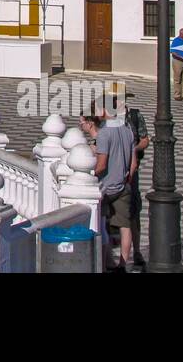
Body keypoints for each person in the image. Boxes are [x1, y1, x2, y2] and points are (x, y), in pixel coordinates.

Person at [81, 110, 136, 272]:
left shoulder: (105, 134)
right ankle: (123, 264)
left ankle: (103, 265)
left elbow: (102, 164)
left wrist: (88, 174)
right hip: (123, 185)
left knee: (101, 225)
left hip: (105, 188)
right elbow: (133, 164)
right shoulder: (127, 131)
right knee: (125, 226)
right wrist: (127, 179)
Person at [118, 91, 150, 269]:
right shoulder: (107, 117)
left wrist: (132, 150)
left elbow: (145, 140)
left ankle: (136, 251)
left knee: (133, 211)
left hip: (132, 170)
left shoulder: (135, 116)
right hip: (114, 169)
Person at [170, 28, 183, 100]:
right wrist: (182, 57)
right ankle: (177, 95)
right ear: (181, 34)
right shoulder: (176, 41)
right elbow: (173, 52)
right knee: (177, 79)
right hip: (177, 61)